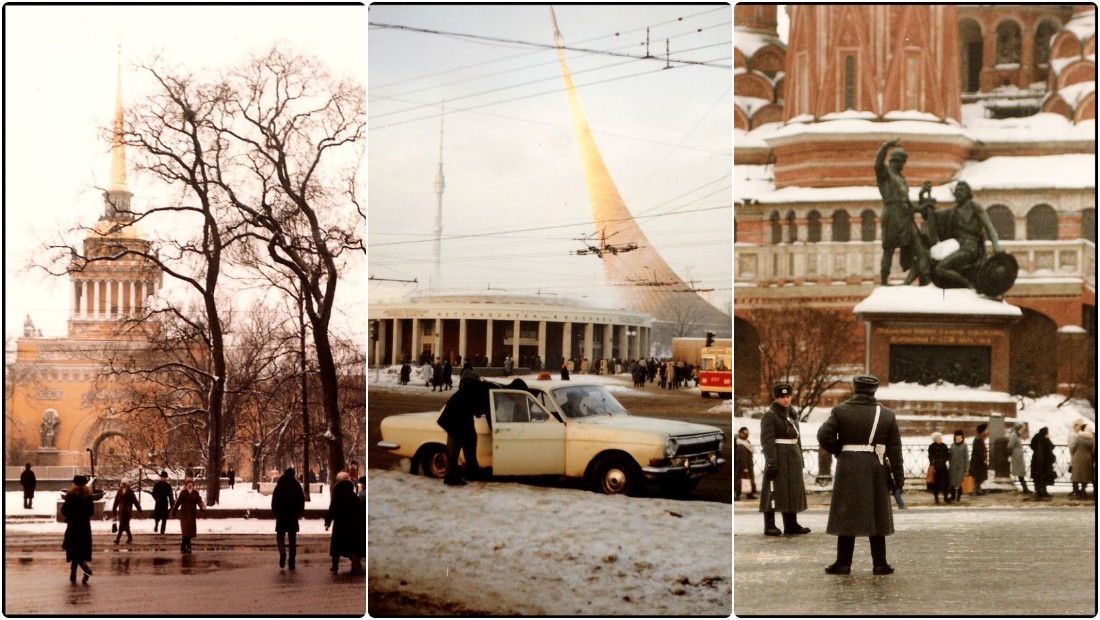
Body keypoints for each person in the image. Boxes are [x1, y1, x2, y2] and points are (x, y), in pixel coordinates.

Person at [817, 375, 903, 575]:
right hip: (876, 466)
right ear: (874, 391)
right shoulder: (887, 415)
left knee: (847, 514)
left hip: (848, 466)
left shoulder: (841, 411)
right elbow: (895, 450)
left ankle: (843, 563)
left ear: (854, 389)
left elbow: (823, 435)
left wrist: (840, 449)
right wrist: (898, 479)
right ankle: (880, 564)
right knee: (877, 515)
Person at [875, 139, 930, 286]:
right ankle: (884, 281)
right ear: (895, 161)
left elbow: (906, 201)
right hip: (892, 215)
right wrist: (886, 146)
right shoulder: (886, 175)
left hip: (906, 217)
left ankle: (924, 280)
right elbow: (878, 164)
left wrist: (920, 208)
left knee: (919, 248)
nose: (903, 165)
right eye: (902, 162)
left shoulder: (901, 179)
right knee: (889, 249)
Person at [932, 181, 1003, 291]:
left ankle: (968, 284)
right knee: (930, 258)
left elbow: (990, 229)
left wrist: (996, 248)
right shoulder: (953, 211)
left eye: (961, 190)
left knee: (940, 268)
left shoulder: (975, 207)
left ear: (968, 193)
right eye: (956, 190)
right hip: (955, 245)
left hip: (971, 248)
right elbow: (934, 216)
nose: (958, 193)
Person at [759, 383, 809, 536]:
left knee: (791, 490)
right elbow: (767, 441)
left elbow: (797, 438)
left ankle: (791, 524)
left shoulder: (792, 415)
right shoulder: (770, 415)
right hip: (778, 456)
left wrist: (800, 458)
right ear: (776, 398)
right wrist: (771, 462)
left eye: (788, 396)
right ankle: (769, 525)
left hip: (793, 456)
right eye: (782, 397)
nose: (786, 400)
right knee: (773, 490)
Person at [436, 374, 493, 486]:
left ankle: (472, 471)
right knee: (454, 449)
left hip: (463, 417)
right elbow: (479, 412)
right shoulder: (481, 391)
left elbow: (475, 410)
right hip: (454, 419)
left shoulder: (477, 389)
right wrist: (492, 425)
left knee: (471, 441)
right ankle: (450, 477)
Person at [325, 471, 365, 574]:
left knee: (336, 547)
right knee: (352, 546)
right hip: (353, 525)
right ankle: (355, 563)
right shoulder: (354, 496)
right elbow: (361, 511)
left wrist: (327, 522)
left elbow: (332, 509)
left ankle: (335, 566)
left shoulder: (337, 496)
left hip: (340, 525)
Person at [61, 475, 94, 583]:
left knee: (74, 550)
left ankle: (75, 572)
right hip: (84, 526)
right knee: (82, 550)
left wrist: (70, 515)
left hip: (73, 526)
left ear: (74, 483)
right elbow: (91, 512)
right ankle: (83, 573)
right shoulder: (88, 495)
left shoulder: (70, 495)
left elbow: (64, 510)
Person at [271, 467, 305, 570]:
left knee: (280, 537)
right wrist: (298, 513)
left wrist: (276, 514)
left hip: (281, 516)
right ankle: (291, 561)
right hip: (292, 516)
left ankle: (282, 552)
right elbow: (301, 501)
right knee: (292, 540)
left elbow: (274, 502)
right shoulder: (296, 486)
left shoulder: (279, 486)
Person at [170, 477, 206, 554]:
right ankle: (188, 547)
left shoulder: (195, 493)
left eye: (191, 483)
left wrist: (202, 507)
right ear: (186, 485)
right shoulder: (183, 493)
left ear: (192, 484)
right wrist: (173, 513)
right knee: (186, 531)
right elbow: (177, 504)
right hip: (185, 514)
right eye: (188, 483)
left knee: (189, 531)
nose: (190, 484)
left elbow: (199, 501)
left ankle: (183, 546)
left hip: (192, 514)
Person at [111, 480, 142, 545]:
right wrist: (114, 509)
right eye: (122, 484)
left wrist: (139, 508)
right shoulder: (119, 491)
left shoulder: (130, 492)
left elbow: (135, 501)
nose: (123, 485)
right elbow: (116, 501)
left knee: (123, 525)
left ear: (127, 484)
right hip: (121, 511)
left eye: (124, 484)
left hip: (127, 511)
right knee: (124, 525)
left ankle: (118, 539)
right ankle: (129, 537)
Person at [1069, 421, 1095, 499]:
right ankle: (1083, 491)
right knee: (1085, 476)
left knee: (1076, 475)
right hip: (1088, 458)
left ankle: (1076, 491)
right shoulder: (1092, 438)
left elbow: (1074, 447)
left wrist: (1073, 454)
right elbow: (1094, 450)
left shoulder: (1079, 437)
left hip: (1078, 457)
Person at [1030, 427, 1056, 499]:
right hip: (1045, 462)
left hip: (1036, 460)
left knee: (1037, 477)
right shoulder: (1045, 440)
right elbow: (1051, 447)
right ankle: (1044, 492)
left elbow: (1032, 446)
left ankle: (1038, 491)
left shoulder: (1036, 438)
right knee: (1044, 478)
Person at [734, 427, 757, 501]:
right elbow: (742, 457)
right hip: (742, 465)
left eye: (747, 433)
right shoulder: (741, 444)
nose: (746, 435)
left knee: (747, 478)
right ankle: (737, 494)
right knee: (740, 479)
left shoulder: (745, 442)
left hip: (747, 464)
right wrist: (745, 467)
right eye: (744, 433)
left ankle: (749, 493)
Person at [1006, 423, 1030, 493]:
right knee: (1020, 473)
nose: (1023, 430)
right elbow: (1010, 446)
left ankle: (1025, 488)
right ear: (1019, 429)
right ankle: (1025, 488)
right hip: (1017, 457)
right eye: (1022, 428)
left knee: (1021, 473)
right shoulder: (1014, 435)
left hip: (1018, 456)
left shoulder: (1017, 435)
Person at [927, 432, 951, 504]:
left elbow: (947, 455)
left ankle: (945, 497)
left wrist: (944, 460)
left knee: (946, 483)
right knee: (936, 483)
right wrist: (935, 462)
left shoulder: (944, 446)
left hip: (943, 467)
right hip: (936, 468)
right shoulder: (931, 446)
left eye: (940, 437)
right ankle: (936, 498)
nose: (939, 439)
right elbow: (930, 457)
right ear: (934, 439)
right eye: (937, 437)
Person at [948, 430, 969, 503]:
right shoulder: (952, 445)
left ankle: (959, 496)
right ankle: (953, 496)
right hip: (953, 467)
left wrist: (967, 468)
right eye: (956, 436)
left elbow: (966, 457)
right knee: (952, 482)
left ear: (962, 437)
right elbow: (950, 456)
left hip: (961, 467)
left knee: (959, 482)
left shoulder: (964, 446)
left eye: (959, 436)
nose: (958, 437)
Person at [151, 471, 174, 535]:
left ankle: (162, 532)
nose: (164, 478)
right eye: (163, 477)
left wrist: (172, 505)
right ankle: (156, 525)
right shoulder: (157, 484)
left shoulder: (168, 486)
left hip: (165, 503)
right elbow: (153, 493)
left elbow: (170, 495)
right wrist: (156, 499)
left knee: (164, 518)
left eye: (165, 477)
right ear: (161, 477)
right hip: (158, 503)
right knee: (157, 517)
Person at [970, 423, 989, 495]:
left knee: (980, 476)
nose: (987, 431)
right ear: (983, 431)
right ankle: (975, 490)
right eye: (986, 430)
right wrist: (984, 458)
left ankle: (978, 490)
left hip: (978, 461)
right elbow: (979, 451)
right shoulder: (978, 439)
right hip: (978, 461)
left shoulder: (979, 438)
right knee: (979, 476)